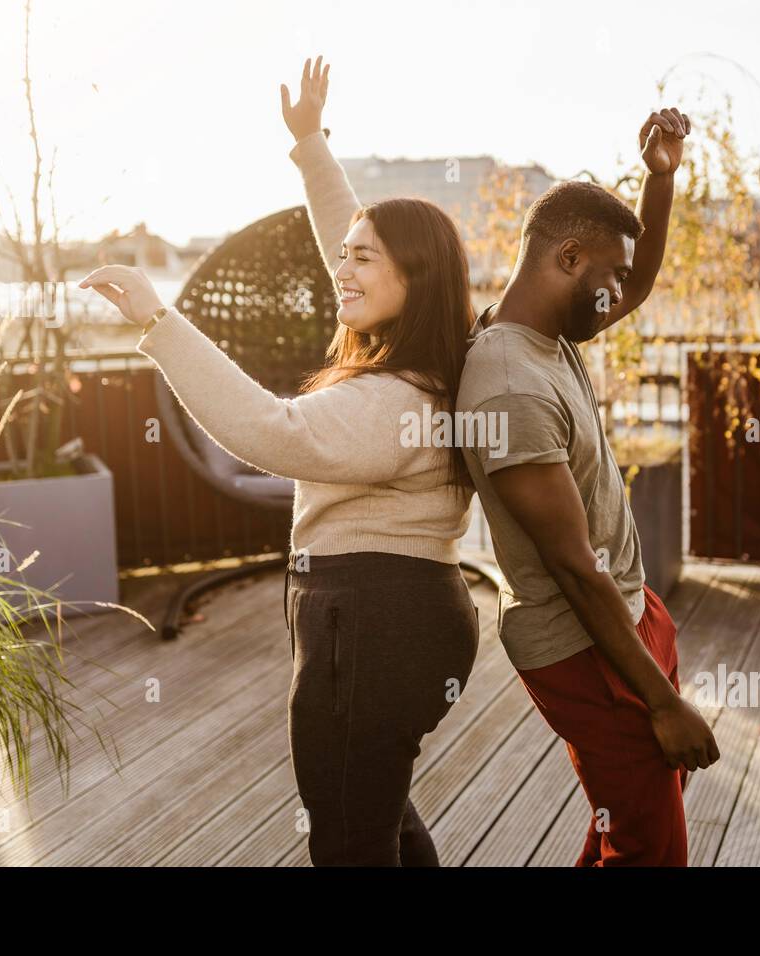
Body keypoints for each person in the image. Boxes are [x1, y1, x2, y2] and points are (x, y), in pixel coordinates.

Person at [79, 56, 480, 866]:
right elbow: (350, 233)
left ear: (417, 277)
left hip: (370, 623)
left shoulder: (393, 401)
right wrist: (310, 146)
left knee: (346, 835)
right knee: (380, 817)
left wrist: (158, 322)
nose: (345, 266)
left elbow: (265, 428)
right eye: (349, 254)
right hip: (397, 616)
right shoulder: (435, 364)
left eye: (366, 260)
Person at [454, 105, 720, 866]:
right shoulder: (509, 386)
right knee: (650, 848)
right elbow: (572, 566)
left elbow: (634, 281)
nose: (622, 296)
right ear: (568, 257)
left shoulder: (548, 331)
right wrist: (662, 703)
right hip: (582, 645)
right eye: (611, 277)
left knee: (627, 823)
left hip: (626, 615)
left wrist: (658, 182)